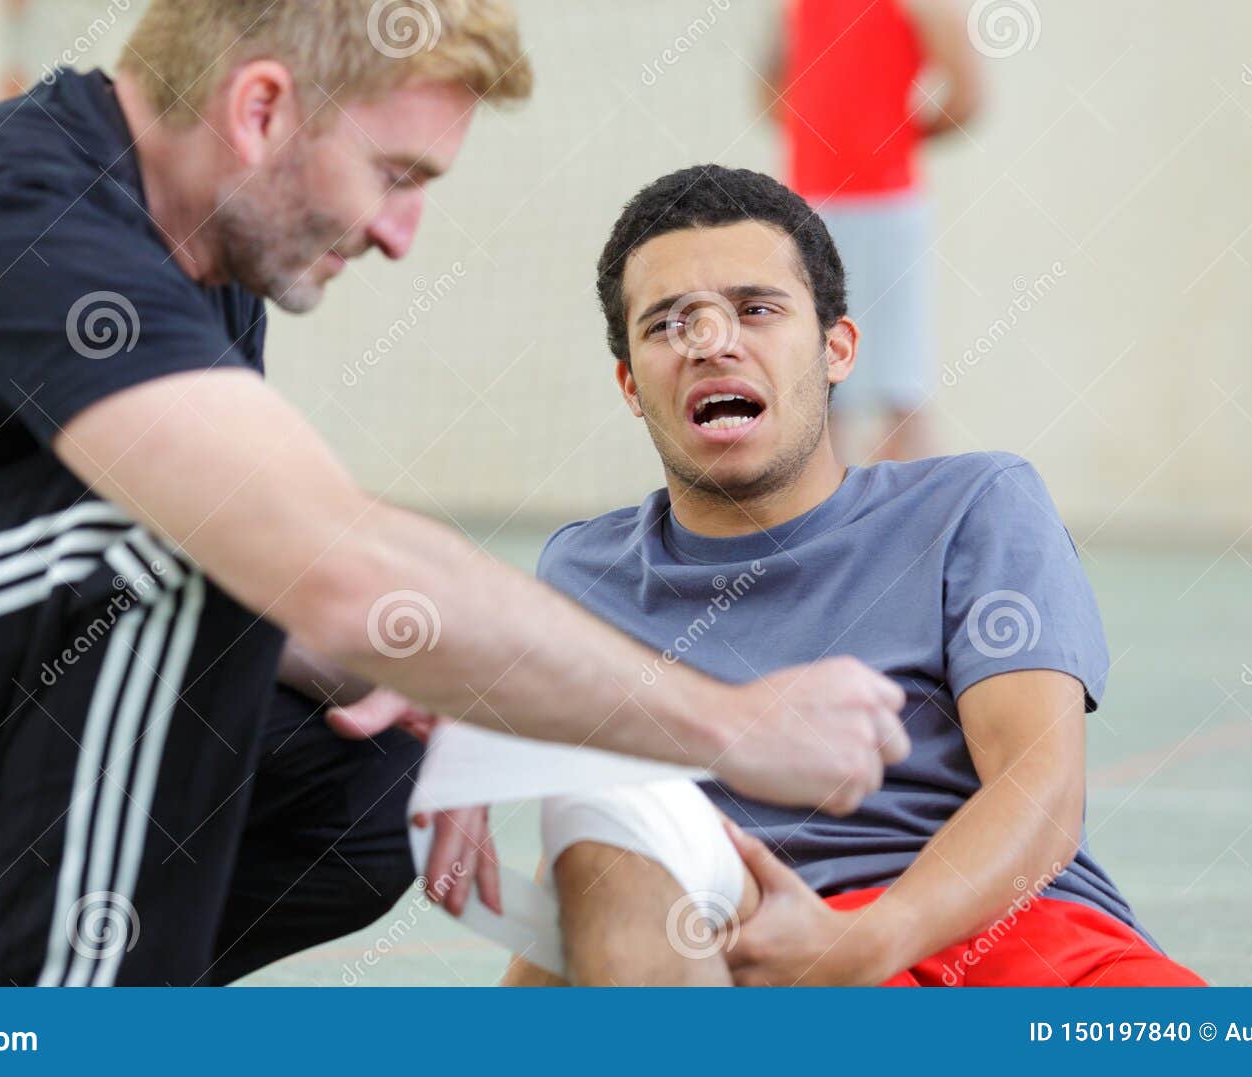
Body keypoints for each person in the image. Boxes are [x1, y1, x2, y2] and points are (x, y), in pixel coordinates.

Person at [0, 0, 908, 986]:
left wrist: (448, 686)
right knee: (174, 546)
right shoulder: (27, 216)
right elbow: (324, 561)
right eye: (396, 175)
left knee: (362, 789)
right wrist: (735, 725)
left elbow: (307, 588)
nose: (398, 234)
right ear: (260, 108)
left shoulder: (202, 275)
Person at [495, 164, 1203, 986]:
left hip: (1015, 938)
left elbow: (1040, 785)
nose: (712, 342)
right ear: (630, 385)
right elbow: (589, 867)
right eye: (666, 324)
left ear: (838, 349)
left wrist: (867, 944)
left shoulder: (974, 505)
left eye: (756, 309)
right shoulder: (585, 578)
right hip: (758, 966)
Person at [763, 0, 982, 462]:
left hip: (885, 209)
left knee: (898, 387)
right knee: (821, 387)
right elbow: (775, 86)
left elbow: (966, 90)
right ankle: (828, 533)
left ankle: (916, 532)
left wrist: (891, 139)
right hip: (812, 203)